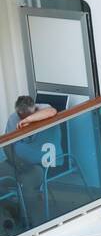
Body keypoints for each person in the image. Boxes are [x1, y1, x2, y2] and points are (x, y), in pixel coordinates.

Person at [2, 96, 57, 227]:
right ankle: (8, 214)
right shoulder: (13, 118)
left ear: (34, 109)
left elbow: (52, 112)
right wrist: (16, 161)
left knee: (27, 185)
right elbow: (7, 145)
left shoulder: (43, 109)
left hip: (38, 165)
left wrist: (28, 120)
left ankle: (33, 224)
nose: (21, 119)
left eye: (25, 115)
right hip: (16, 163)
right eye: (20, 116)